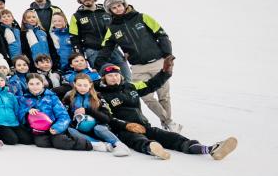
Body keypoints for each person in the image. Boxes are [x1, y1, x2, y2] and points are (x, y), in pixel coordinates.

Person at [96, 63, 236, 160]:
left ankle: (209, 149)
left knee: (173, 138)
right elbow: (108, 118)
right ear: (104, 78)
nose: (114, 78)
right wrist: (126, 125)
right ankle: (152, 148)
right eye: (110, 76)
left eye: (116, 75)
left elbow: (151, 84)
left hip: (144, 126)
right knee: (137, 140)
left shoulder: (131, 87)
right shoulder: (101, 95)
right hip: (124, 130)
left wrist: (165, 73)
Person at [99, 0, 180, 131]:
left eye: (119, 5)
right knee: (145, 96)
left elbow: (161, 35)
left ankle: (167, 125)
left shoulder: (142, 17)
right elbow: (105, 48)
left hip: (158, 62)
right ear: (110, 11)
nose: (117, 9)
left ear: (124, 4)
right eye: (113, 8)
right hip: (137, 68)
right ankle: (169, 121)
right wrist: (99, 65)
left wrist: (167, 55)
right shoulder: (112, 28)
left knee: (164, 96)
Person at [72, 0, 130, 81]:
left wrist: (126, 49)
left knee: (127, 78)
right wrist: (82, 59)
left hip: (114, 50)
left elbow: (120, 30)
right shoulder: (76, 16)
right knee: (107, 81)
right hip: (94, 52)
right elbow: (75, 39)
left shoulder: (106, 11)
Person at [18, 74, 90, 152]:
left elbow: (63, 115)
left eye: (38, 83)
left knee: (60, 142)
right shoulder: (24, 99)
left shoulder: (52, 97)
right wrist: (27, 111)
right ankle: (56, 140)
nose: (35, 86)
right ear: (27, 85)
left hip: (53, 127)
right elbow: (20, 114)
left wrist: (57, 127)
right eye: (31, 84)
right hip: (39, 131)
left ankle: (86, 144)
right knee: (41, 143)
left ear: (42, 84)